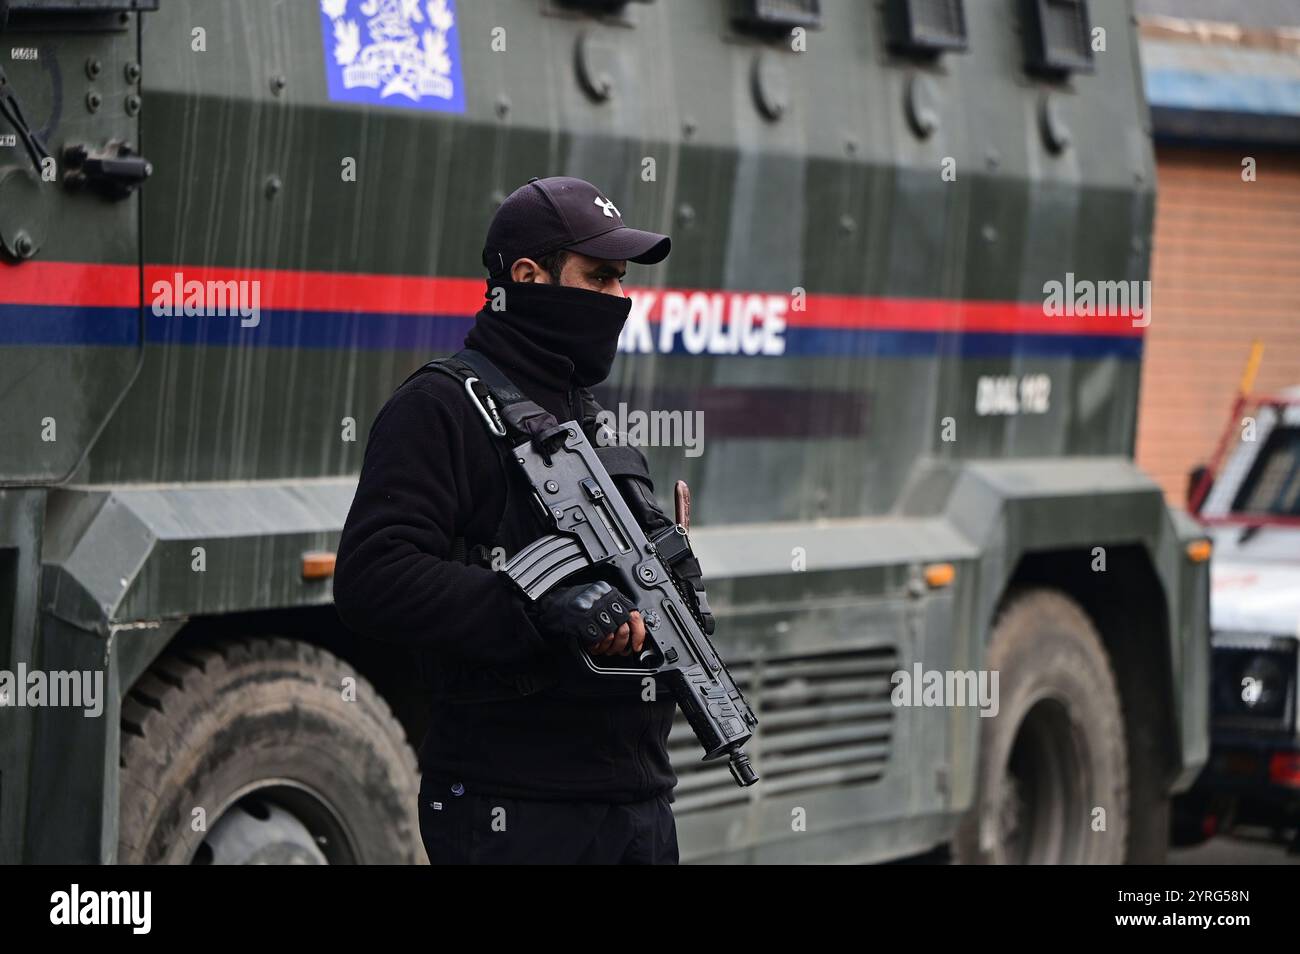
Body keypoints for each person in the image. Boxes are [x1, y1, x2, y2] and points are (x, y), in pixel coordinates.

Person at [334, 176, 714, 864]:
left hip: (637, 807)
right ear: (528, 277)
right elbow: (372, 577)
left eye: (622, 281)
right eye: (598, 278)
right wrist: (541, 607)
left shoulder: (591, 421)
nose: (619, 301)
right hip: (516, 809)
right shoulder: (441, 407)